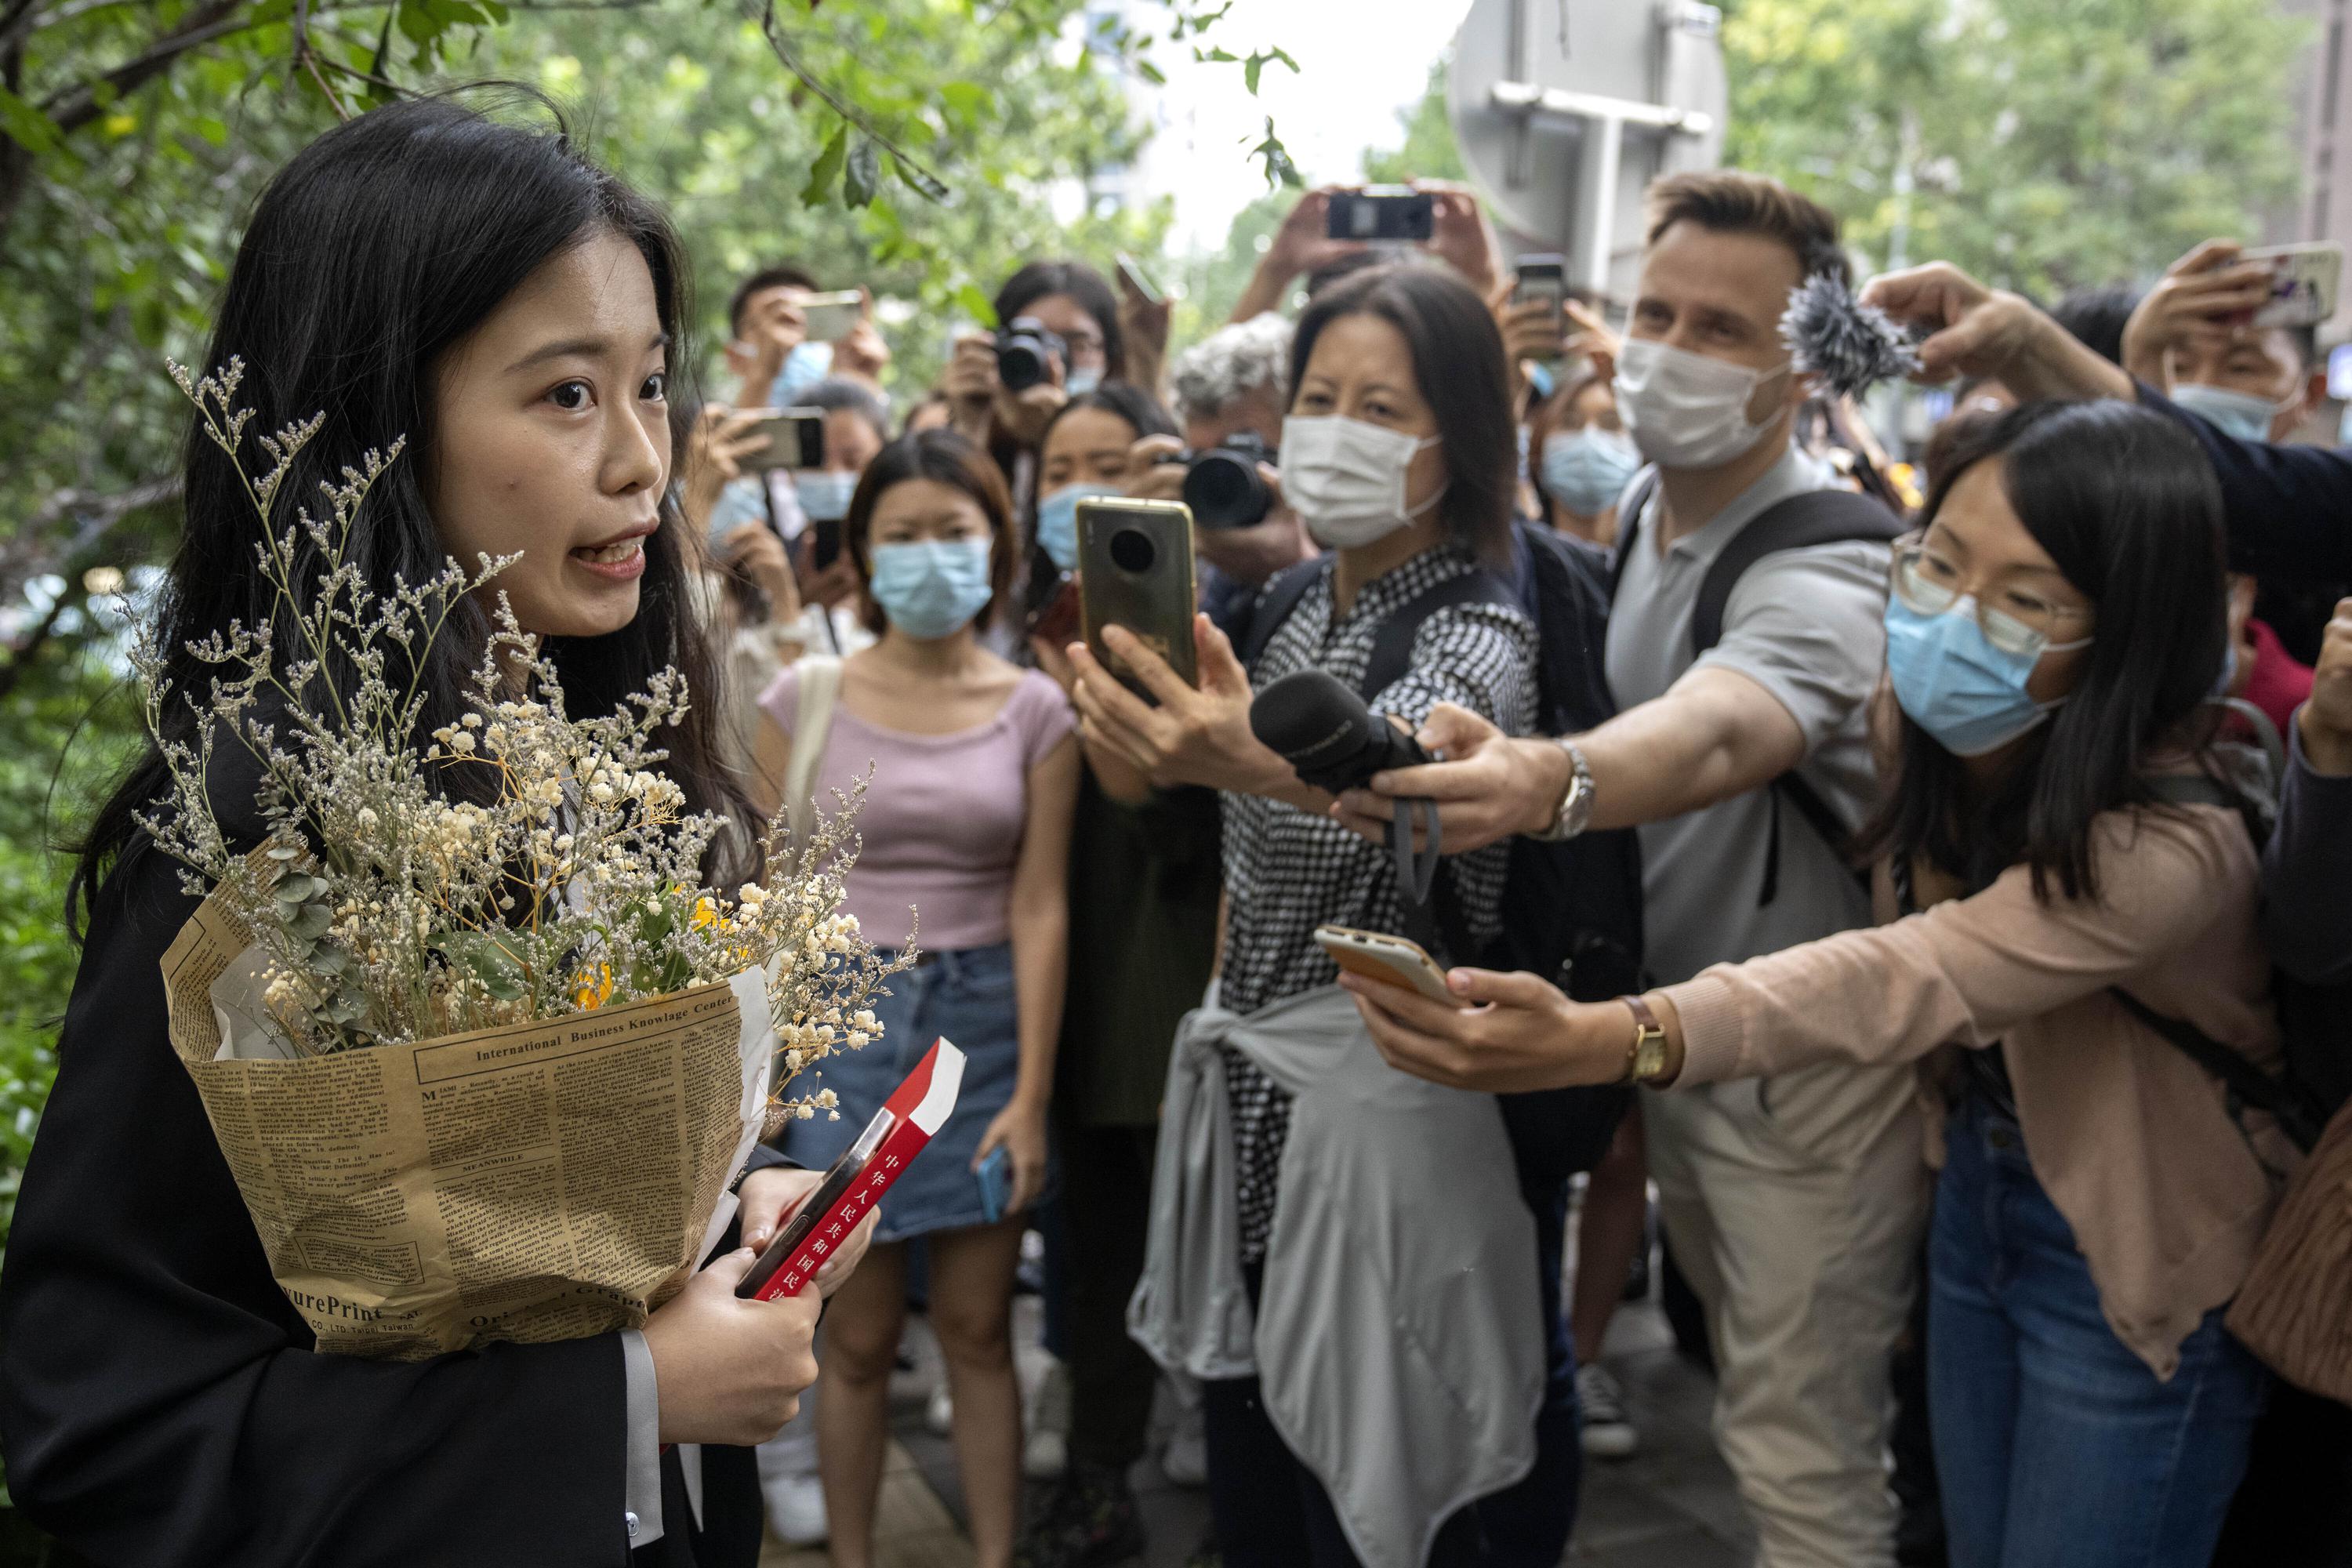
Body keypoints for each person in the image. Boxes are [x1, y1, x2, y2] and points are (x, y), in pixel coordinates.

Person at [0, 96, 875, 1568]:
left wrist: (734, 1213)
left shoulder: (611, 758)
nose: (643, 466)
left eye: (652, 385)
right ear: (374, 432)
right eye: (563, 396)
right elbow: (103, 1424)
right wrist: (627, 1397)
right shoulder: (259, 834)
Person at [1348, 399, 2288, 1568]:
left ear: (2132, 632)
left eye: (2029, 599)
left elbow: (1907, 973)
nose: (1956, 617)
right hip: (1981, 1200)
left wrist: (1612, 1037)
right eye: (1940, 563)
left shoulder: (2172, 848)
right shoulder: (1938, 731)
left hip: (2139, 1254)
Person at [1334, 171, 1920, 1568]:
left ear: (1810, 364)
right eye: (1654, 309)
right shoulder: (1655, 501)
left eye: (1722, 327)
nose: (1667, 346)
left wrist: (1544, 780)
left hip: (1805, 1087)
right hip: (1680, 1051)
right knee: (1744, 1410)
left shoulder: (1832, 560)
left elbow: (1724, 730)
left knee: (1802, 1459)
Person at [1072, 263, 1573, 1568]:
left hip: (1391, 1105)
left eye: (1382, 407)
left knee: (1397, 1457)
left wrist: (1228, 751)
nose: (1337, 427)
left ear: (1461, 438)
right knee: (1266, 1455)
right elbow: (1231, 819)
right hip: (1258, 1090)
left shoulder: (1473, 620)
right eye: (1318, 396)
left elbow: (1424, 770)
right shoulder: (1294, 601)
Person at [754, 429, 1080, 1568]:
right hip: (844, 1037)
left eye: (954, 531)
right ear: (862, 550)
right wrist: (775, 1087)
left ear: (995, 544)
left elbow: (1042, 907)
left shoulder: (1038, 707)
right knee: (854, 1333)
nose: (930, 556)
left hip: (982, 1032)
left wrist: (1032, 1094)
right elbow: (769, 903)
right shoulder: (804, 696)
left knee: (981, 1332)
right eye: (902, 535)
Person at [1014, 384, 1226, 1568]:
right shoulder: (1023, 617)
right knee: (1091, 1251)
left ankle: (1203, 1447)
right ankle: (1100, 1477)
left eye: (1116, 462)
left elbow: (1185, 824)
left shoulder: (1202, 623)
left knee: (1178, 1239)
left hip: (1163, 980)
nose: (1089, 487)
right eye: (1065, 467)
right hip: (1058, 984)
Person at [944, 260, 1128, 498]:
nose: (1051, 362)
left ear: (1110, 353)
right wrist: (968, 430)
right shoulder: (981, 438)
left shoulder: (1131, 450)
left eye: (1076, 344)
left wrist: (1057, 433)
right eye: (1032, 343)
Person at [1524, 363, 1635, 548]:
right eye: (1570, 422)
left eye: (1610, 423)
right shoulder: (1520, 558)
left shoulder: (1650, 559)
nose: (1589, 439)